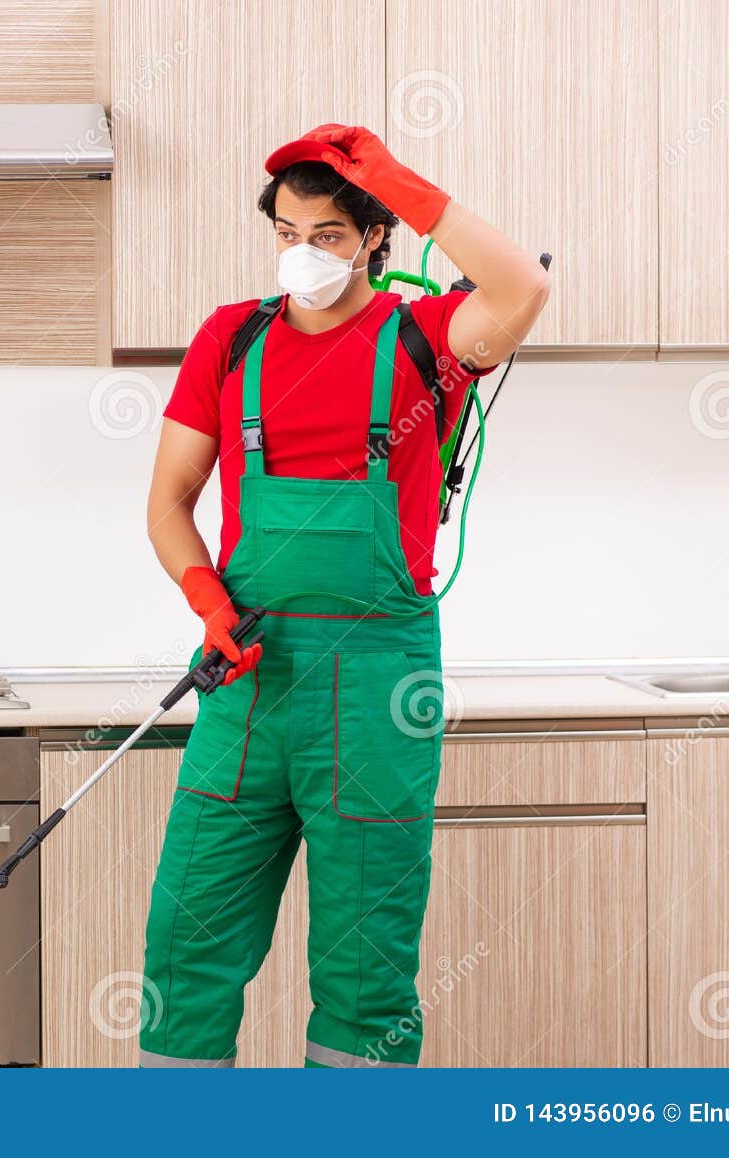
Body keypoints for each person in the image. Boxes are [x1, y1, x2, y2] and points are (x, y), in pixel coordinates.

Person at [139, 124, 550, 1068]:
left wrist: (398, 180)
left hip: (377, 694)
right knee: (184, 947)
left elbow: (523, 287)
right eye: (286, 233)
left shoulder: (429, 340)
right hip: (247, 679)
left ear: (374, 239)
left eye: (326, 235)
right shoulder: (230, 338)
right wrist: (206, 602)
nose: (301, 255)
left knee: (367, 975)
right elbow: (167, 505)